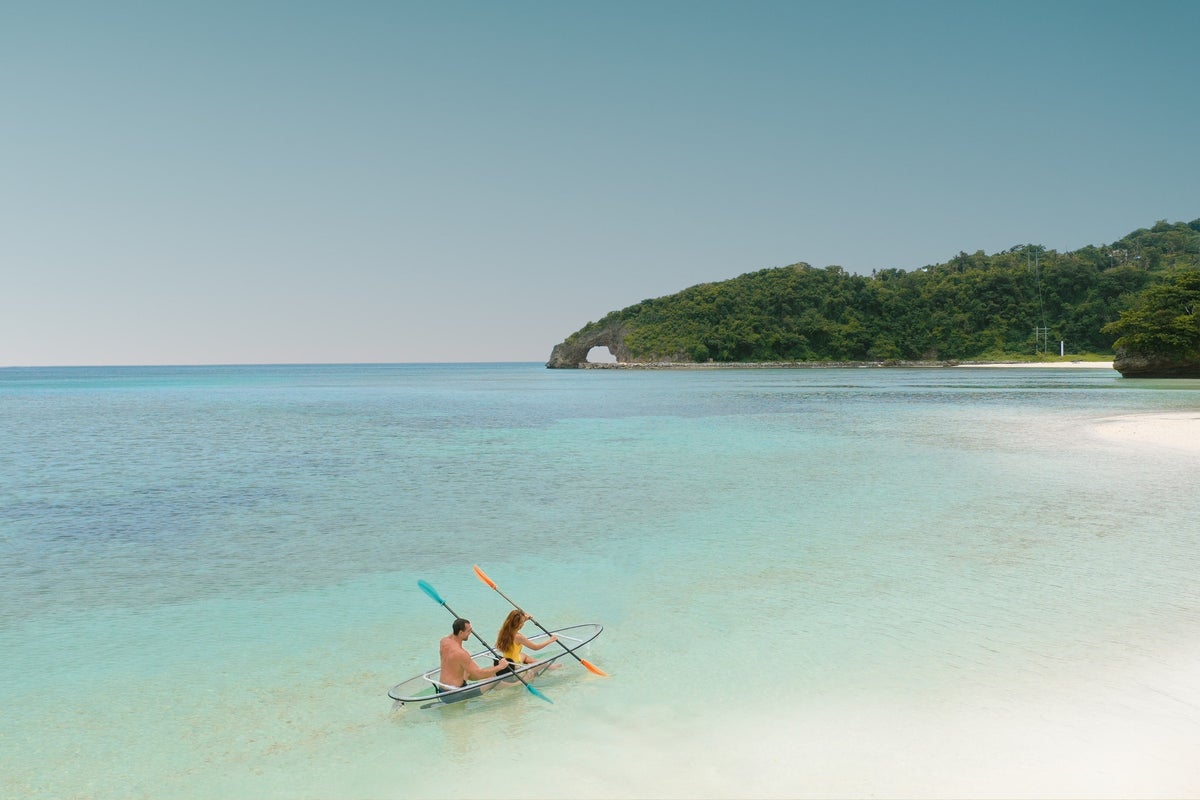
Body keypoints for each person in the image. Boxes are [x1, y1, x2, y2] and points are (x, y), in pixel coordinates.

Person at [438, 618, 511, 692]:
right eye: (469, 631)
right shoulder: (461, 653)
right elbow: (479, 674)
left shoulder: (444, 641)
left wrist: (462, 624)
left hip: (441, 688)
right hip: (455, 692)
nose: (470, 633)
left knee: (468, 670)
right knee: (496, 677)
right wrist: (500, 667)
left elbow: (455, 632)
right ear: (460, 633)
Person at [492, 609, 560, 675]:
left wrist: (525, 619)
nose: (523, 624)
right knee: (544, 663)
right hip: (516, 666)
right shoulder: (518, 637)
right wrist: (550, 640)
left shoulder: (503, 632)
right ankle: (547, 667)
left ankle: (550, 667)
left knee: (523, 655)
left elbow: (516, 623)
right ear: (518, 624)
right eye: (522, 622)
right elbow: (535, 647)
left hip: (508, 661)